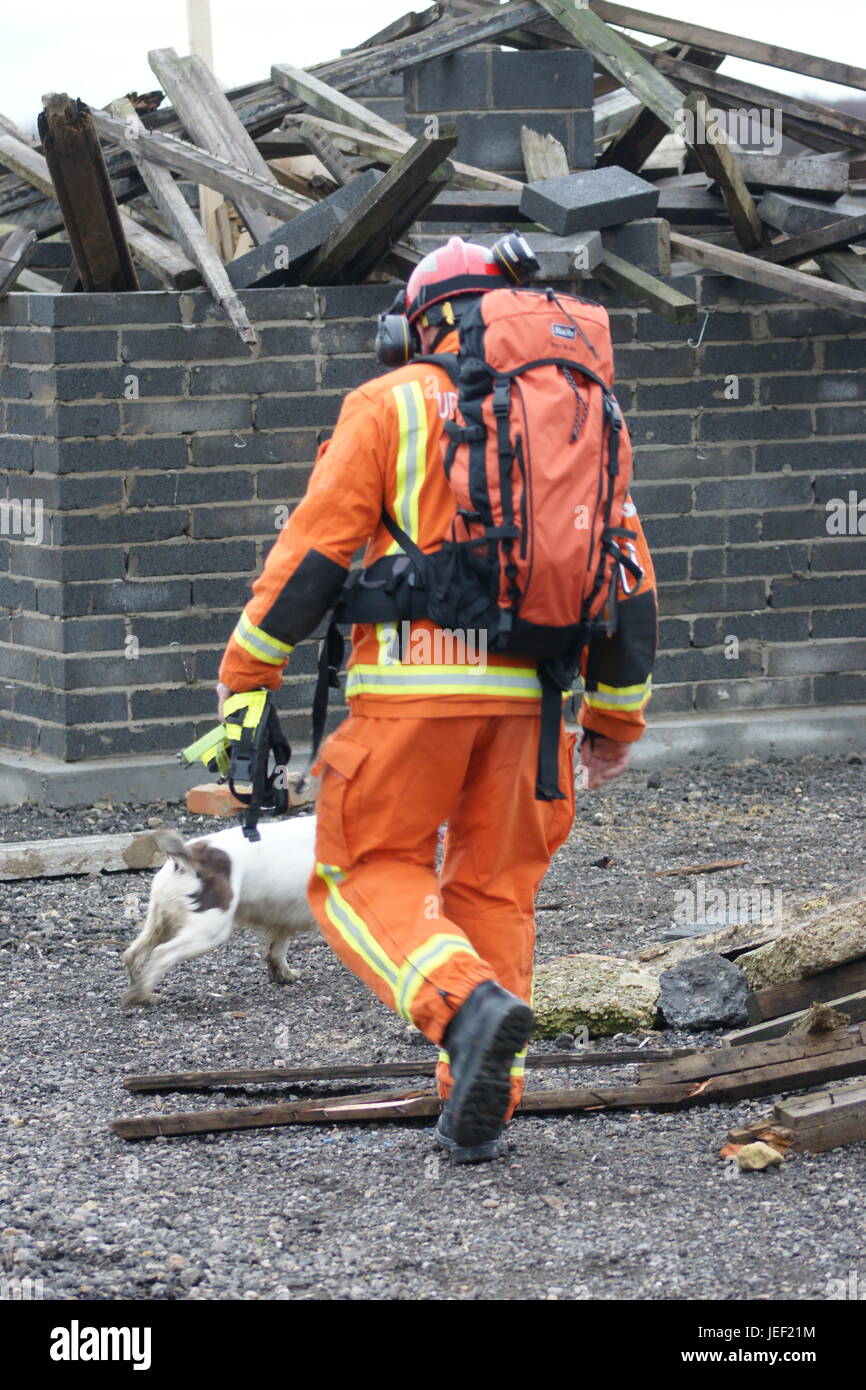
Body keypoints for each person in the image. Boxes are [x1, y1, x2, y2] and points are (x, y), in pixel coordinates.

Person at [216, 238, 657, 1163]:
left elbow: (312, 560)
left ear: (411, 326)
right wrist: (613, 722)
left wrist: (246, 681)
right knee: (495, 888)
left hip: (412, 694)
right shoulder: (580, 409)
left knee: (360, 867)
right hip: (537, 708)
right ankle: (481, 1102)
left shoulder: (388, 404)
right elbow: (629, 581)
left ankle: (463, 1005)